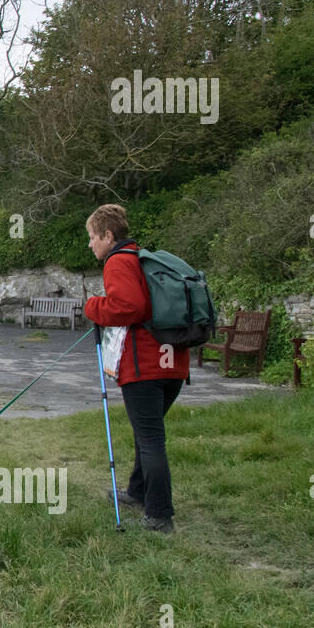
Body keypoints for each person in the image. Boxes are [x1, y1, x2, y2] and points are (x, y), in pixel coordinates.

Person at [82, 204, 189, 534]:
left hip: (145, 367)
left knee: (150, 440)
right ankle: (137, 492)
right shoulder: (144, 259)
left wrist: (92, 306)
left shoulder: (118, 261)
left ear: (108, 235)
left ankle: (159, 515)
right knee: (149, 434)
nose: (90, 244)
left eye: (92, 237)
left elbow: (128, 306)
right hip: (173, 363)